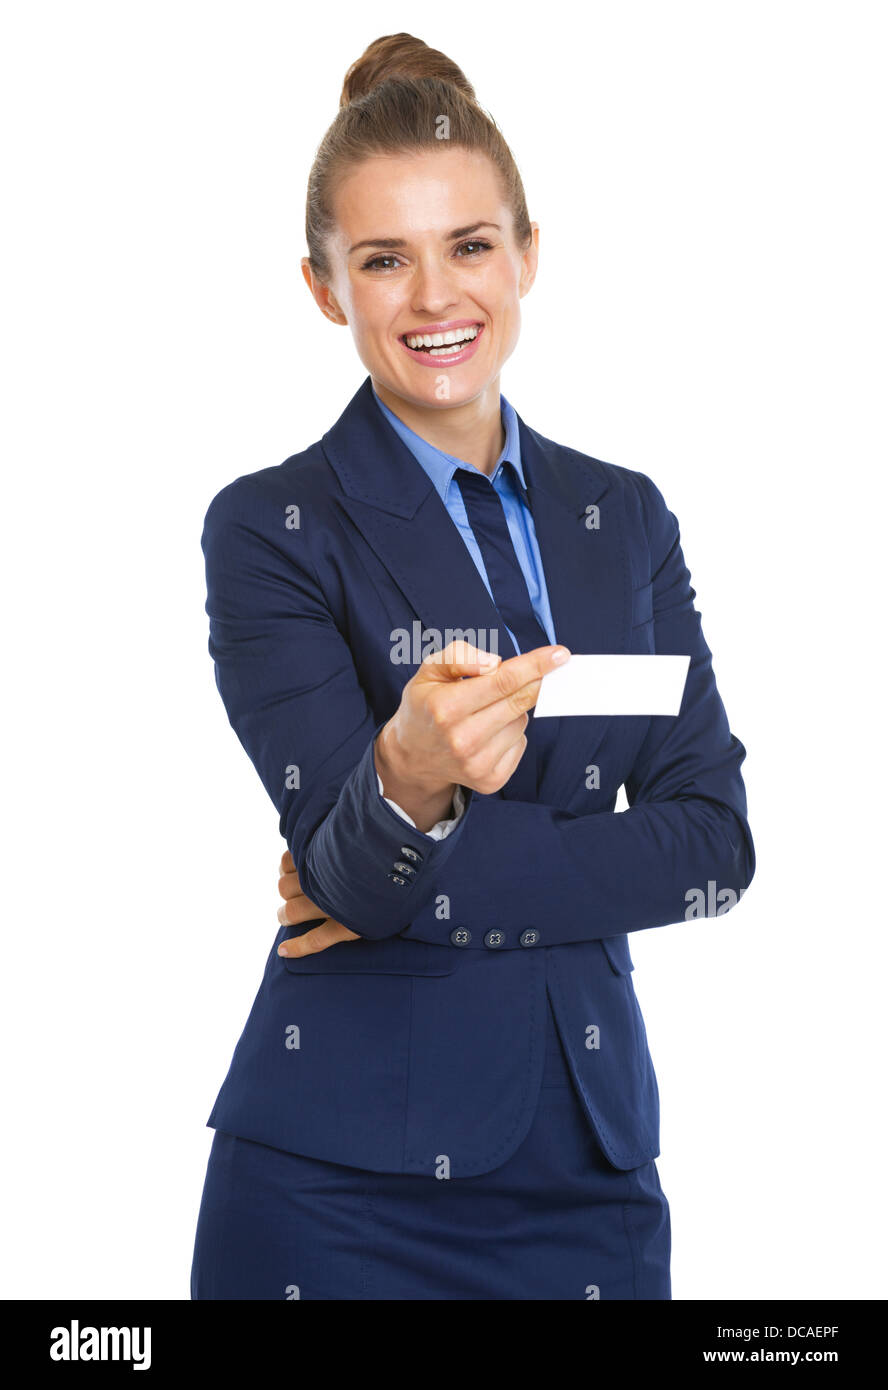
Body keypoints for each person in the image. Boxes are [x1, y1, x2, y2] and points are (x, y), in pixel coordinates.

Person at [190, 31, 755, 1301]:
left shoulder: (628, 519)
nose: (436, 297)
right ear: (326, 286)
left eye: (471, 245)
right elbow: (344, 854)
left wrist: (409, 840)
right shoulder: (274, 528)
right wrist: (396, 798)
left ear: (528, 254)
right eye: (384, 259)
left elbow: (717, 843)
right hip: (336, 1192)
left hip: (592, 1174)